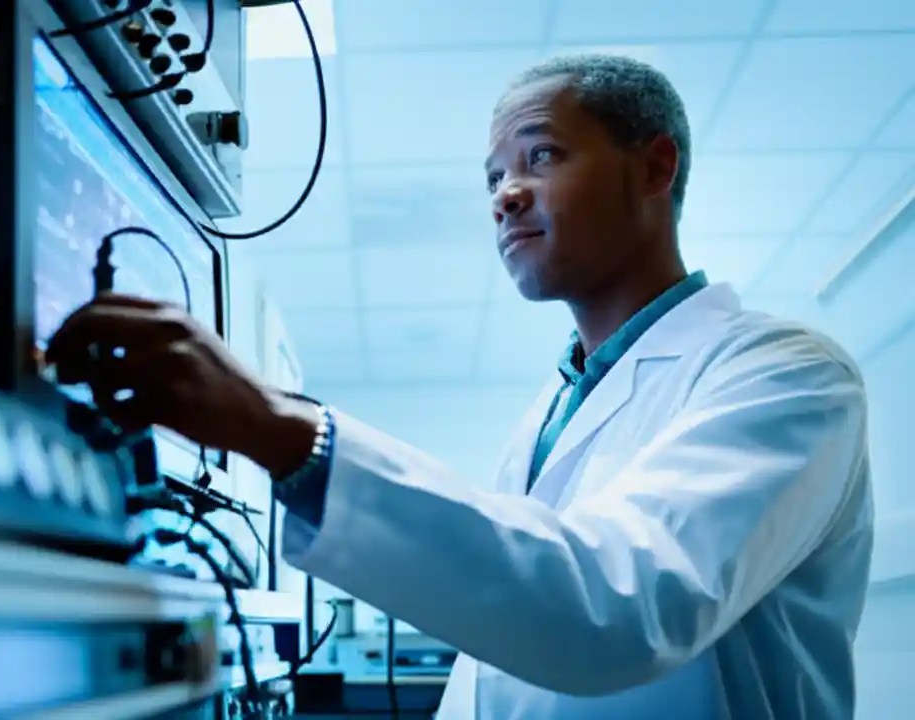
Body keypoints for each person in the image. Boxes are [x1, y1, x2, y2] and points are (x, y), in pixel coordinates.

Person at [46, 54, 873, 719]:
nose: (506, 194)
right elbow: (493, 668)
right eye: (492, 177)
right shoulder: (552, 409)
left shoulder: (785, 375)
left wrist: (279, 428)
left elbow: (620, 611)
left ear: (655, 167)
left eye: (542, 155)